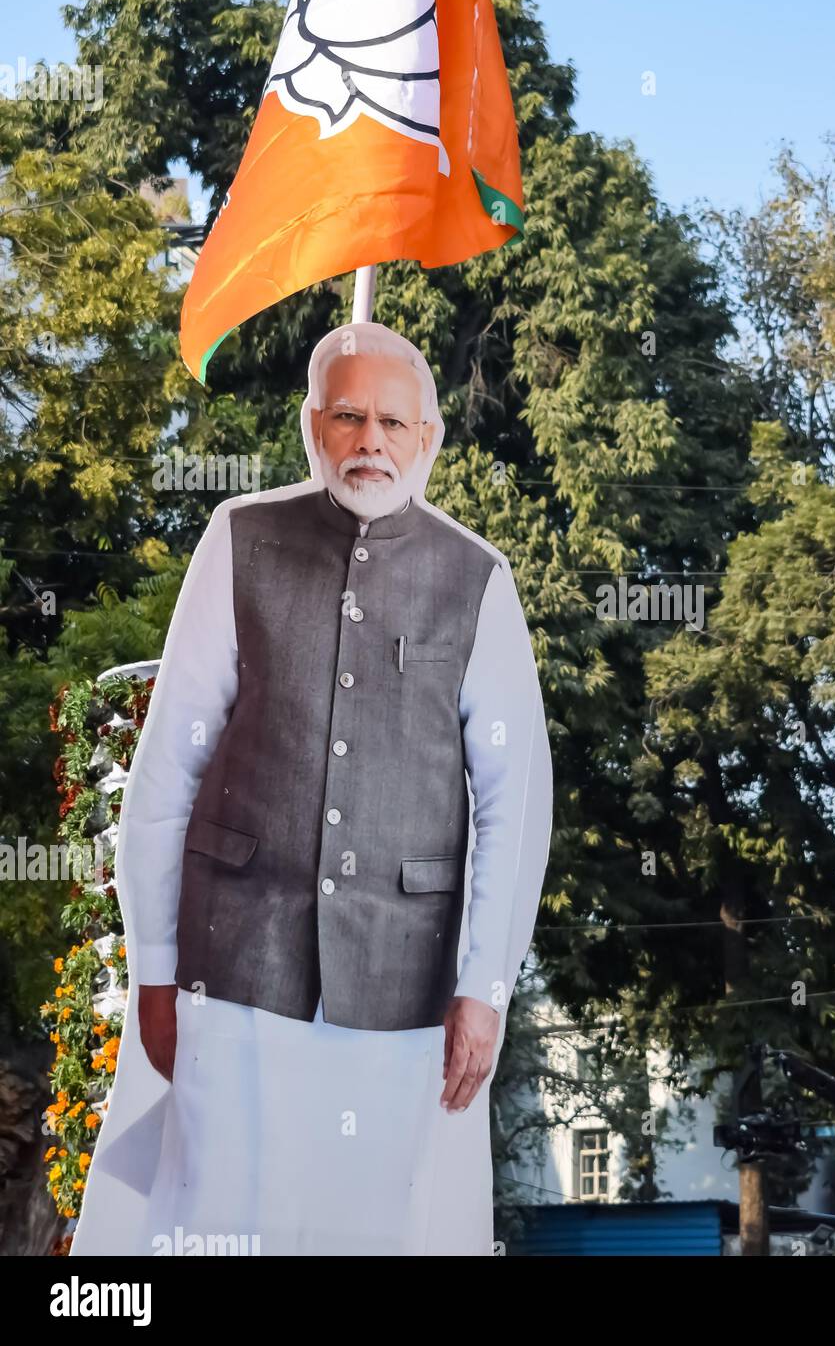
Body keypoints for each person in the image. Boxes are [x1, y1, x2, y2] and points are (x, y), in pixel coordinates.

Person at [71, 321, 552, 1256]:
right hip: (235, 961)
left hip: (402, 985)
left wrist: (483, 988)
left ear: (429, 440)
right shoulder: (239, 539)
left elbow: (513, 806)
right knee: (214, 1227)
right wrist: (155, 968)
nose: (371, 440)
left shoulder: (478, 581)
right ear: (311, 427)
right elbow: (167, 767)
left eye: (393, 423)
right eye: (349, 416)